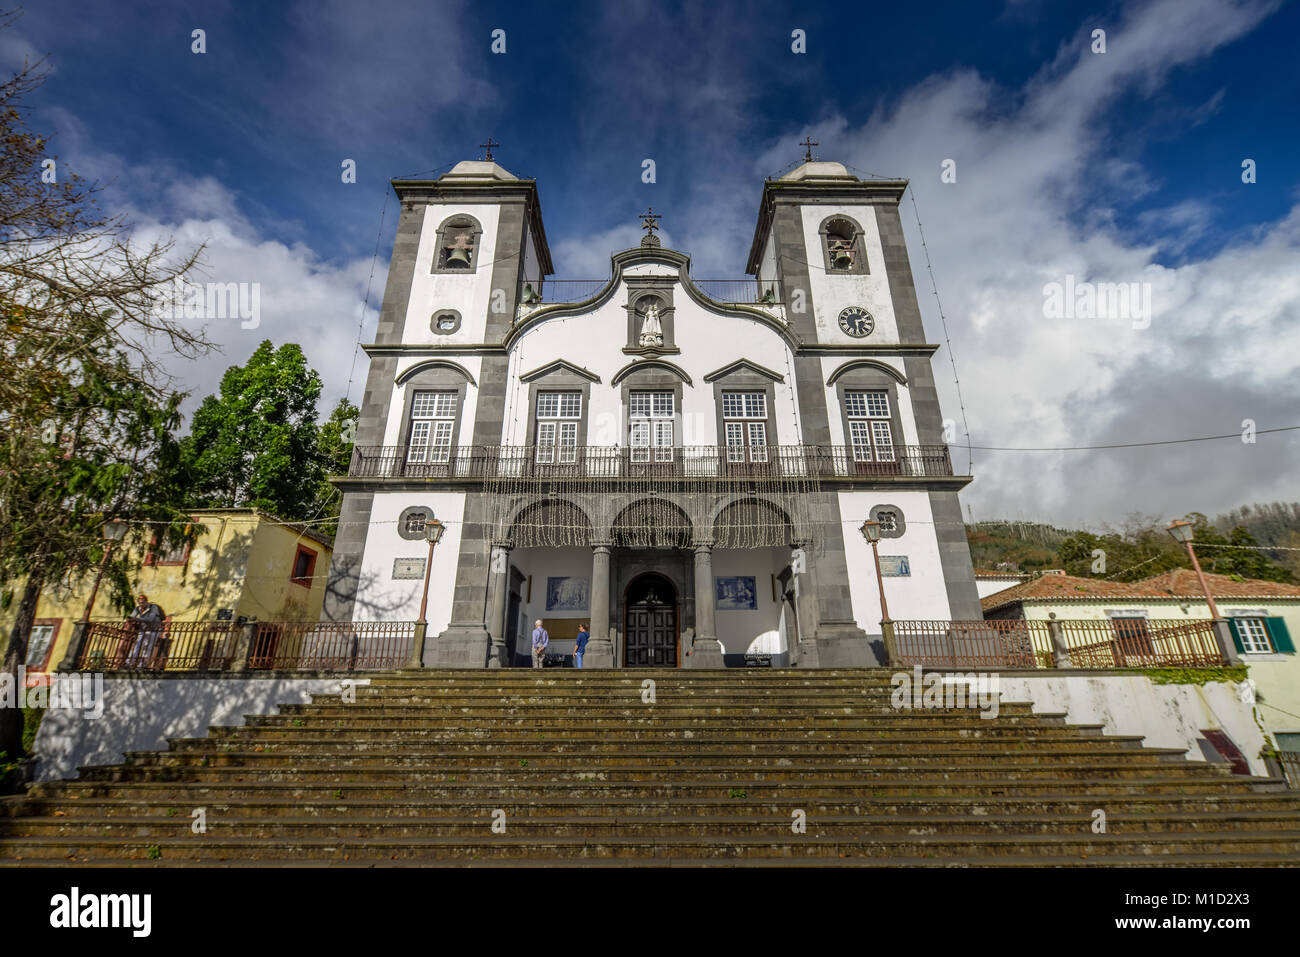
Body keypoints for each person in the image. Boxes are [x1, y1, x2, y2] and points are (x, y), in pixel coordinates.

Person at [126, 594, 166, 669]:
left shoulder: (153, 607)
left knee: (148, 647)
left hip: (154, 629)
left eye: (142, 602)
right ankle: (130, 662)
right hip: (143, 629)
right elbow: (132, 616)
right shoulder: (138, 608)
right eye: (139, 603)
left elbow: (150, 619)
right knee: (137, 645)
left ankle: (142, 664)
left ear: (146, 601)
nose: (141, 604)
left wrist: (137, 619)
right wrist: (130, 619)